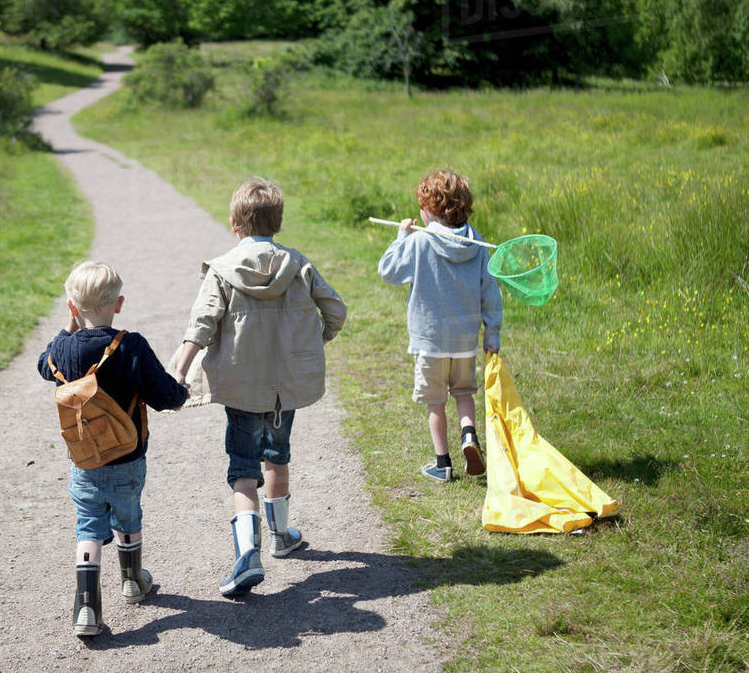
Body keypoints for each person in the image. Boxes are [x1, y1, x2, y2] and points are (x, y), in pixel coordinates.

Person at [173, 177, 347, 597]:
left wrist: (178, 371)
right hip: (284, 386)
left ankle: (247, 553)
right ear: (279, 222)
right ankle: (281, 536)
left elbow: (201, 325)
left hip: (242, 387)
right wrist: (313, 342)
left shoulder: (222, 270)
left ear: (235, 223)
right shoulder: (299, 265)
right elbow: (336, 310)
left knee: (242, 469)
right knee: (277, 455)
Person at [37, 261, 188, 637]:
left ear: (72, 307)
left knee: (88, 526)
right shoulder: (130, 345)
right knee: (128, 514)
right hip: (127, 457)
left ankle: (86, 607)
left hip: (84, 460)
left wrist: (68, 326)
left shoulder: (62, 349)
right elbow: (164, 395)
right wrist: (181, 394)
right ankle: (133, 581)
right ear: (118, 304)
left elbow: (44, 365)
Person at [377, 170, 502, 484]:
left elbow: (388, 270)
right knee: (463, 392)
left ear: (429, 210)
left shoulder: (419, 241)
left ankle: (442, 462)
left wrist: (402, 236)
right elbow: (490, 291)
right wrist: (493, 332)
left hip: (429, 340)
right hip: (465, 340)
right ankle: (469, 435)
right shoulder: (476, 243)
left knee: (436, 401)